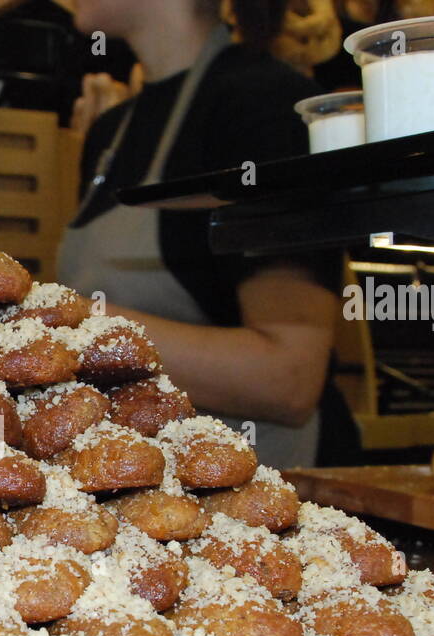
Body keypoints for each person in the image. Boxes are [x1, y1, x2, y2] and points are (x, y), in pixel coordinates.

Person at [59, 0, 342, 469]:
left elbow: (289, 378)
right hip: (131, 485)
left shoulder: (267, 109)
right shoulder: (110, 131)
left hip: (252, 495)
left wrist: (79, 324)